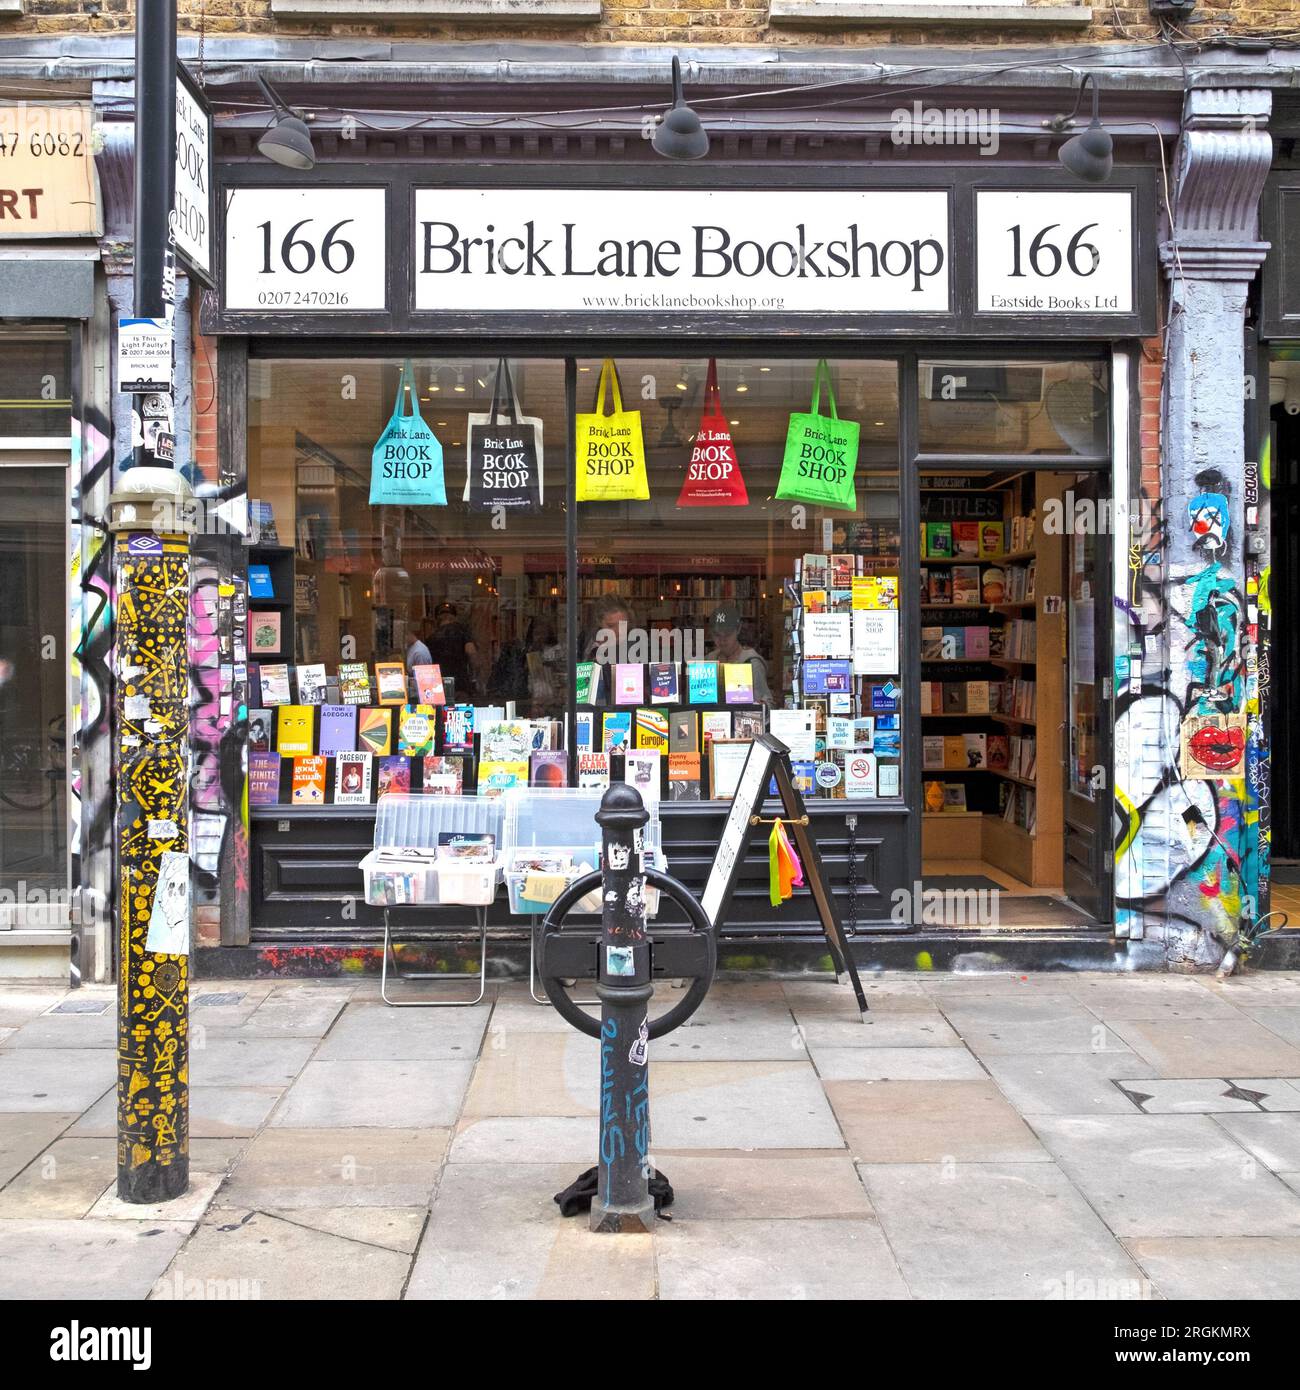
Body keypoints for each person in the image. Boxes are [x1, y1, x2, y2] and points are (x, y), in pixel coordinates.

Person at [708, 604, 772, 705]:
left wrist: (759, 704)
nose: (722, 640)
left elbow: (766, 703)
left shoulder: (752, 662)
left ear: (738, 630)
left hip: (744, 714)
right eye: (717, 635)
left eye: (727, 634)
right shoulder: (709, 660)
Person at [427, 602, 480, 700]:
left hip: (439, 685)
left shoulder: (431, 638)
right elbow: (471, 651)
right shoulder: (462, 631)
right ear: (454, 617)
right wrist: (475, 676)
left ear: (436, 619)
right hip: (460, 684)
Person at [581, 594, 634, 663]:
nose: (618, 631)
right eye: (611, 626)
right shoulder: (585, 640)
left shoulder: (636, 648)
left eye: (623, 625)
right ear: (599, 622)